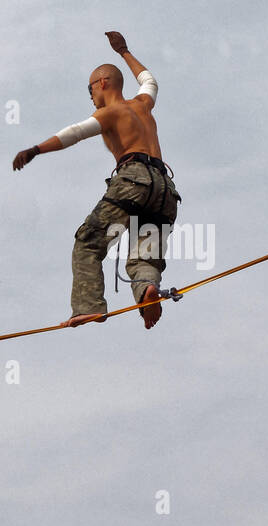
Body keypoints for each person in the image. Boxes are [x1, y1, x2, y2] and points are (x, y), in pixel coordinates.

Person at [12, 31, 180, 329]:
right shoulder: (142, 105)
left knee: (88, 243)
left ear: (102, 83)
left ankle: (88, 306)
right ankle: (146, 290)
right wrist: (124, 51)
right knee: (146, 256)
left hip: (133, 180)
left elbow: (74, 133)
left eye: (89, 89)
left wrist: (36, 149)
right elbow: (150, 81)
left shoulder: (109, 112)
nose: (90, 96)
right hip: (165, 189)